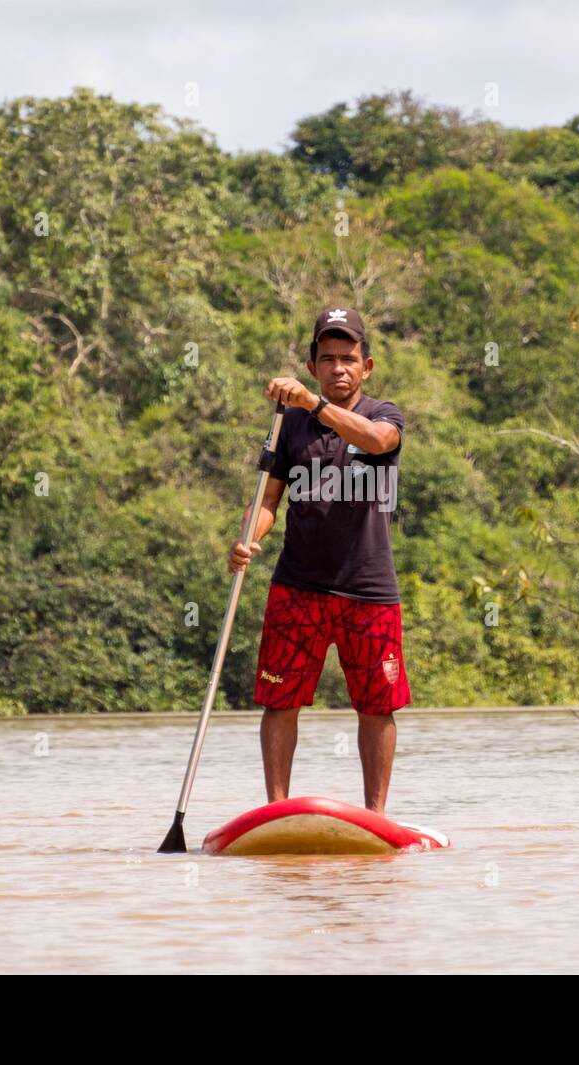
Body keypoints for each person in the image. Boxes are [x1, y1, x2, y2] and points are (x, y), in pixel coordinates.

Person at [227, 306, 409, 816]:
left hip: (369, 589)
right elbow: (267, 500)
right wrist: (246, 537)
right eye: (327, 359)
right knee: (278, 701)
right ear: (313, 365)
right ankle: (277, 813)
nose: (339, 369)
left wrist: (313, 405)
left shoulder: (384, 414)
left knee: (378, 706)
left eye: (348, 358)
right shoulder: (289, 428)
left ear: (366, 366)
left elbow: (376, 442)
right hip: (298, 586)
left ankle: (375, 816)